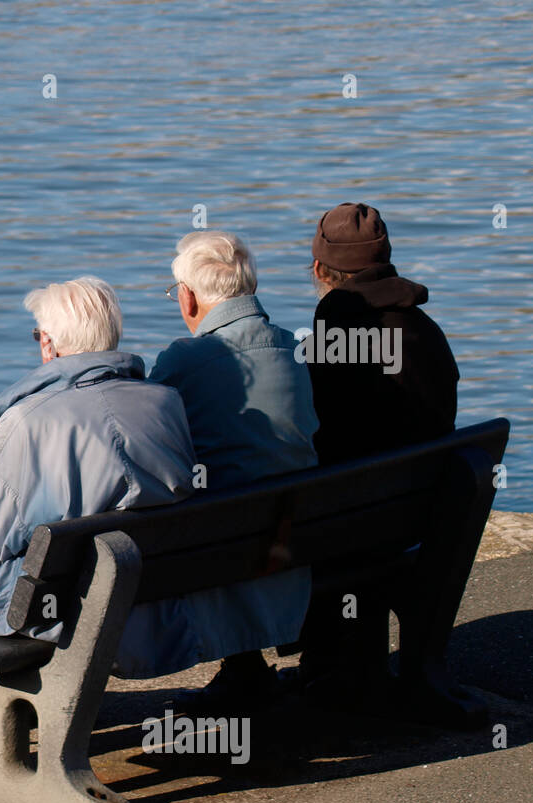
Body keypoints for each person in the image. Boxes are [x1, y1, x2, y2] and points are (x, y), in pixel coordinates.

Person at [0, 276, 198, 779]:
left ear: (48, 343)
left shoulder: (31, 420)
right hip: (146, 599)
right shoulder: (164, 402)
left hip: (59, 609)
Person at [149, 231, 319, 705]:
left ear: (187, 297)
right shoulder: (295, 349)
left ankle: (243, 667)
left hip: (223, 543)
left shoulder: (185, 360)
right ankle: (245, 668)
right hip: (299, 531)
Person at [296, 203, 461, 685]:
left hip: (358, 526)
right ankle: (351, 665)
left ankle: (325, 666)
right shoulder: (425, 330)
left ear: (320, 270)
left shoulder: (336, 337)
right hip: (423, 514)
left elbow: (318, 436)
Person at [305, 202, 459, 463]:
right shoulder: (427, 330)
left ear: (319, 270)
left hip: (362, 498)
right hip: (432, 493)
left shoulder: (326, 347)